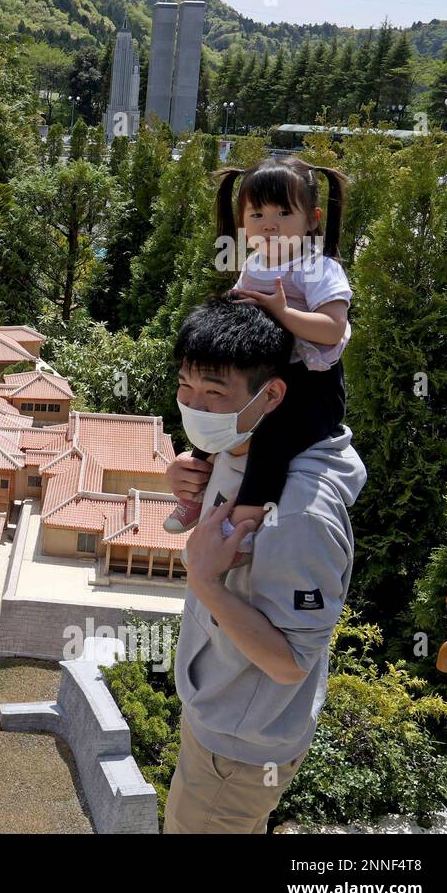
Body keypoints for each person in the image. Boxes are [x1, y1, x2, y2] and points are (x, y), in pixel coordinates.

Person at [162, 295, 366, 834]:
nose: (194, 405)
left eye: (214, 392)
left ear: (272, 393)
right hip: (221, 723)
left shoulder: (300, 514)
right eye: (186, 385)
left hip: (242, 755)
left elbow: (289, 664)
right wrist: (187, 481)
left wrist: (204, 580)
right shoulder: (242, 449)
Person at [164, 157, 352, 573]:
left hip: (310, 387)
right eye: (257, 214)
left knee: (271, 443)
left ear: (312, 219)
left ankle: (241, 527)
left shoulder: (318, 268)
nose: (270, 224)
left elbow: (332, 329)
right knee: (214, 427)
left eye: (283, 213)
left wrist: (284, 314)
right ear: (243, 222)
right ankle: (193, 498)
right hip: (268, 377)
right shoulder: (255, 265)